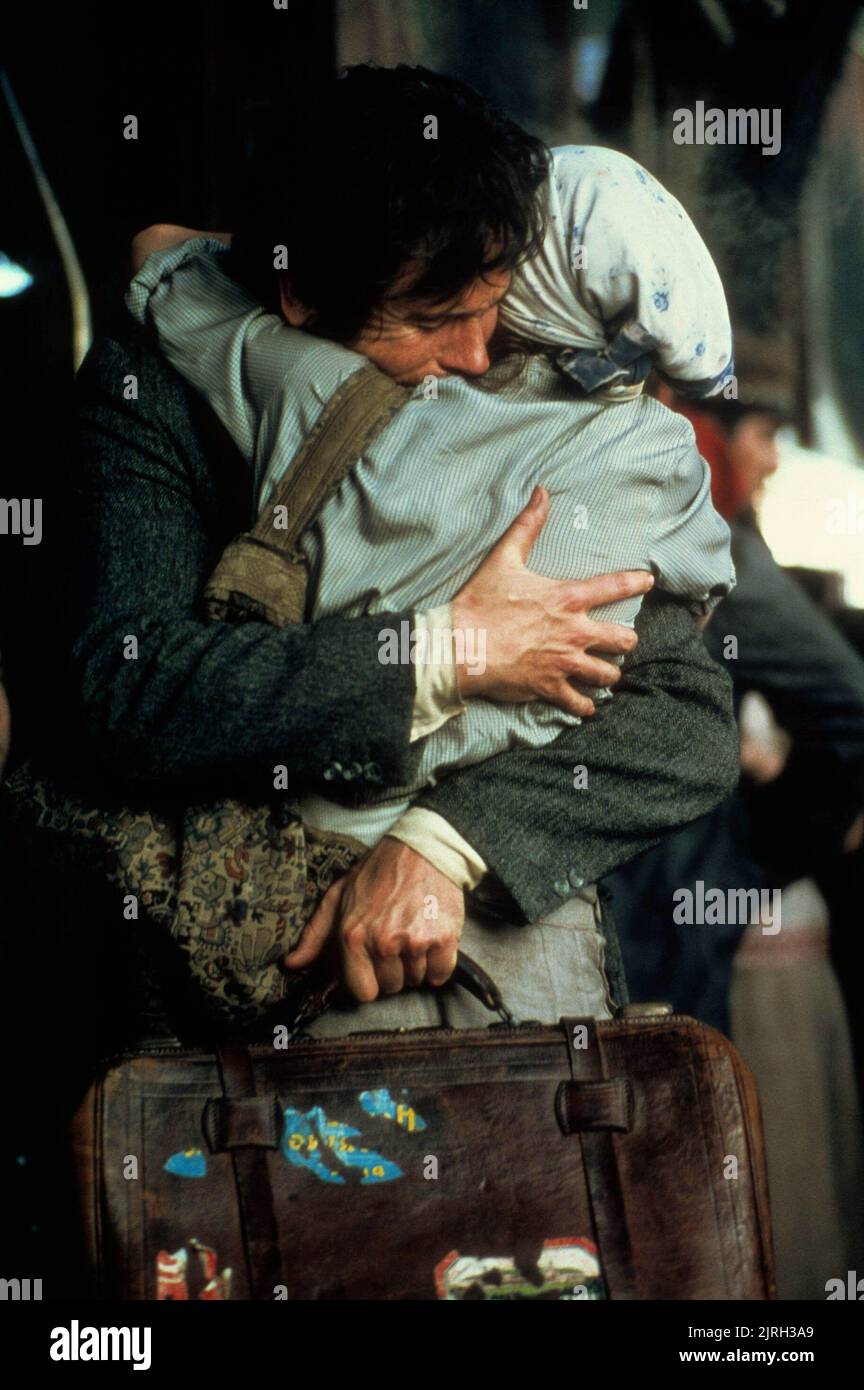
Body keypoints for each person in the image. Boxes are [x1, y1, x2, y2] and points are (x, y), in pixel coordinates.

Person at [28, 64, 740, 1050]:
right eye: (434, 321)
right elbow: (133, 686)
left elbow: (684, 718)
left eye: (493, 305)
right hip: (209, 970)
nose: (479, 356)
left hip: (485, 962)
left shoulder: (535, 398)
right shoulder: (156, 394)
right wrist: (441, 652)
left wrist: (442, 847)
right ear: (301, 295)